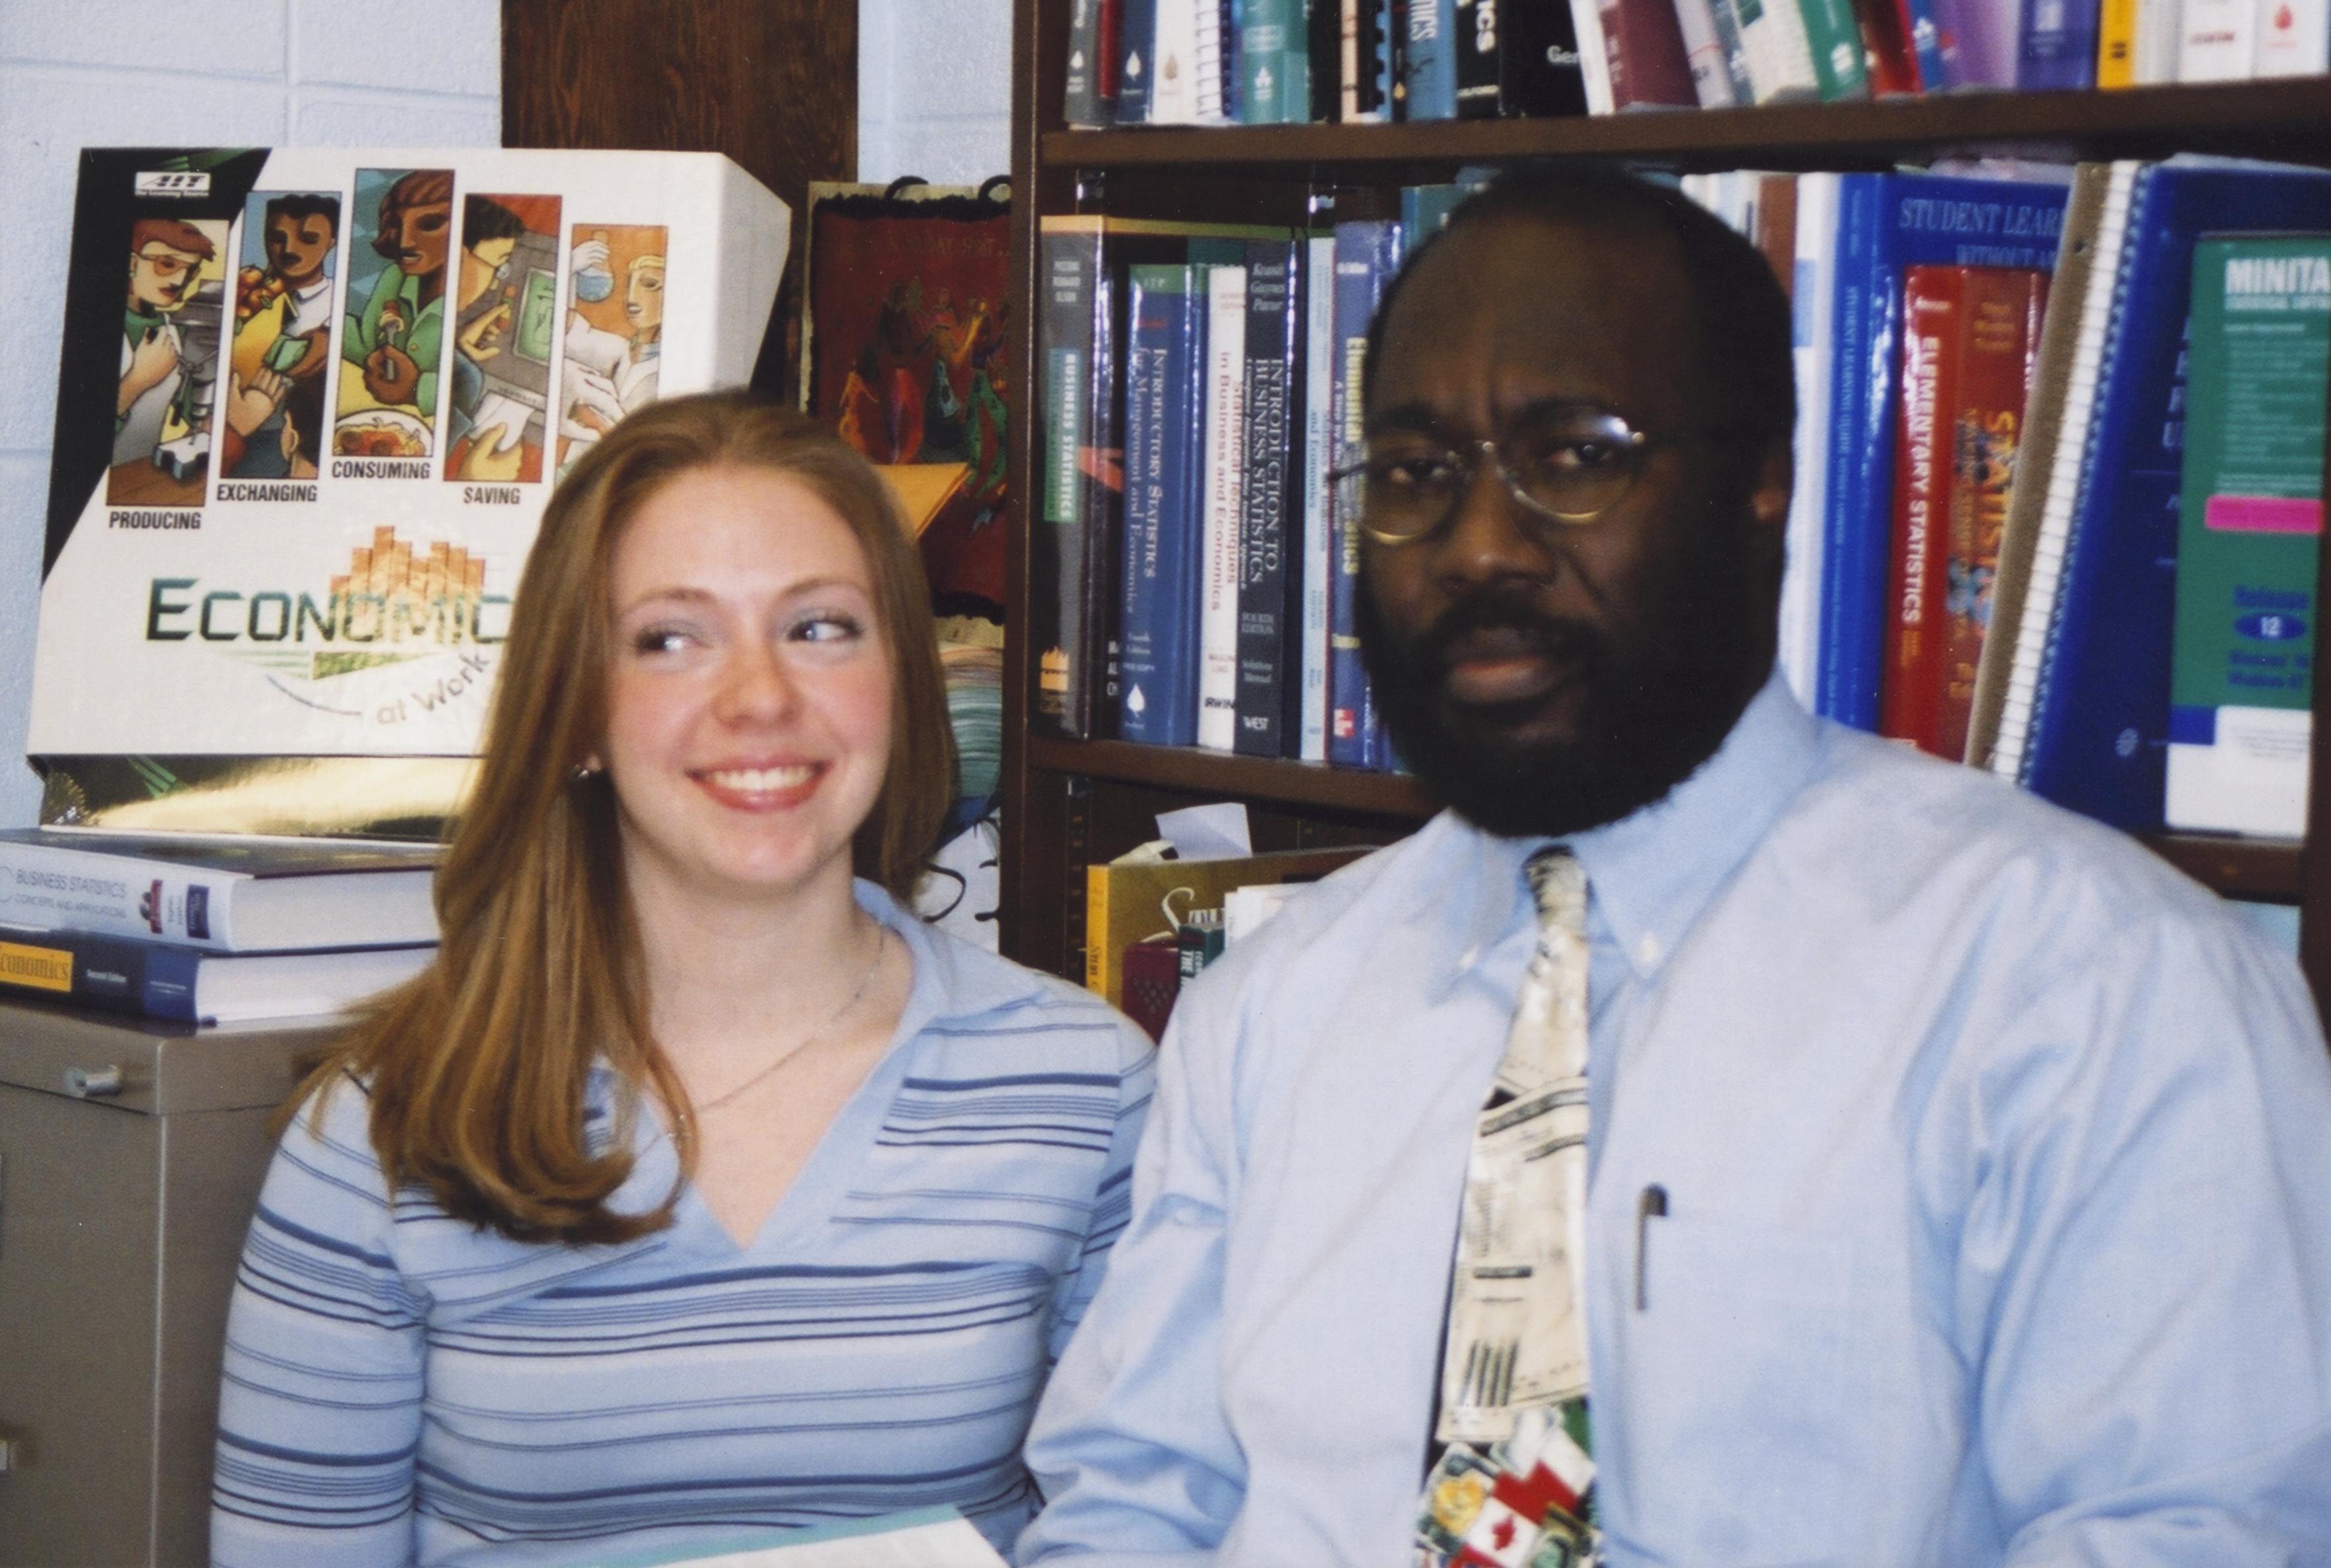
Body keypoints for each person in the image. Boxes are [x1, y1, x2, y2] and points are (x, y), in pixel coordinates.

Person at [1018, 165, 2331, 1566]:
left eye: (1574, 456)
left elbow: (2204, 1536)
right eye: (1411, 474)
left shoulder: (2090, 990)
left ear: (1759, 483)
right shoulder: (1270, 1009)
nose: (1477, 547)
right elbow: (1130, 1507)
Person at [210, 391, 1154, 1565]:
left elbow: (1142, 1525)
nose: (759, 696)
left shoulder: (1082, 1086)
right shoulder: (384, 1126)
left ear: (901, 679)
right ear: (576, 713)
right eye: (670, 638)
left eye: (819, 626)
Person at [342, 168, 453, 416]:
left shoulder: (478, 293)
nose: (404, 242)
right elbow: (367, 345)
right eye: (396, 224)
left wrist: (417, 389)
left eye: (430, 225)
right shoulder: (396, 276)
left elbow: (473, 387)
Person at [117, 216, 216, 468]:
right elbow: (77, 431)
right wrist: (135, 382)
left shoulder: (176, 332)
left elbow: (192, 412)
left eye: (190, 270)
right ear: (133, 263)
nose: (179, 281)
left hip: (142, 473)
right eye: (167, 264)